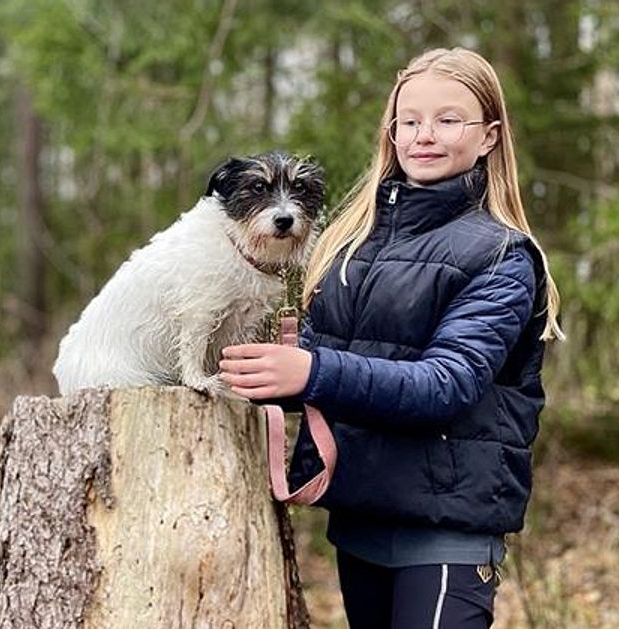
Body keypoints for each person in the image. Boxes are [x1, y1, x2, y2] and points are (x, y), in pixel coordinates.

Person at [217, 47, 566, 629]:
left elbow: (444, 385)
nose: (424, 135)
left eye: (448, 119)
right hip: (361, 524)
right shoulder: (354, 245)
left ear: (489, 137)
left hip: (446, 536)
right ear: (392, 132)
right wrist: (255, 376)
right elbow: (324, 365)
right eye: (410, 121)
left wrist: (310, 372)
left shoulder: (503, 257)